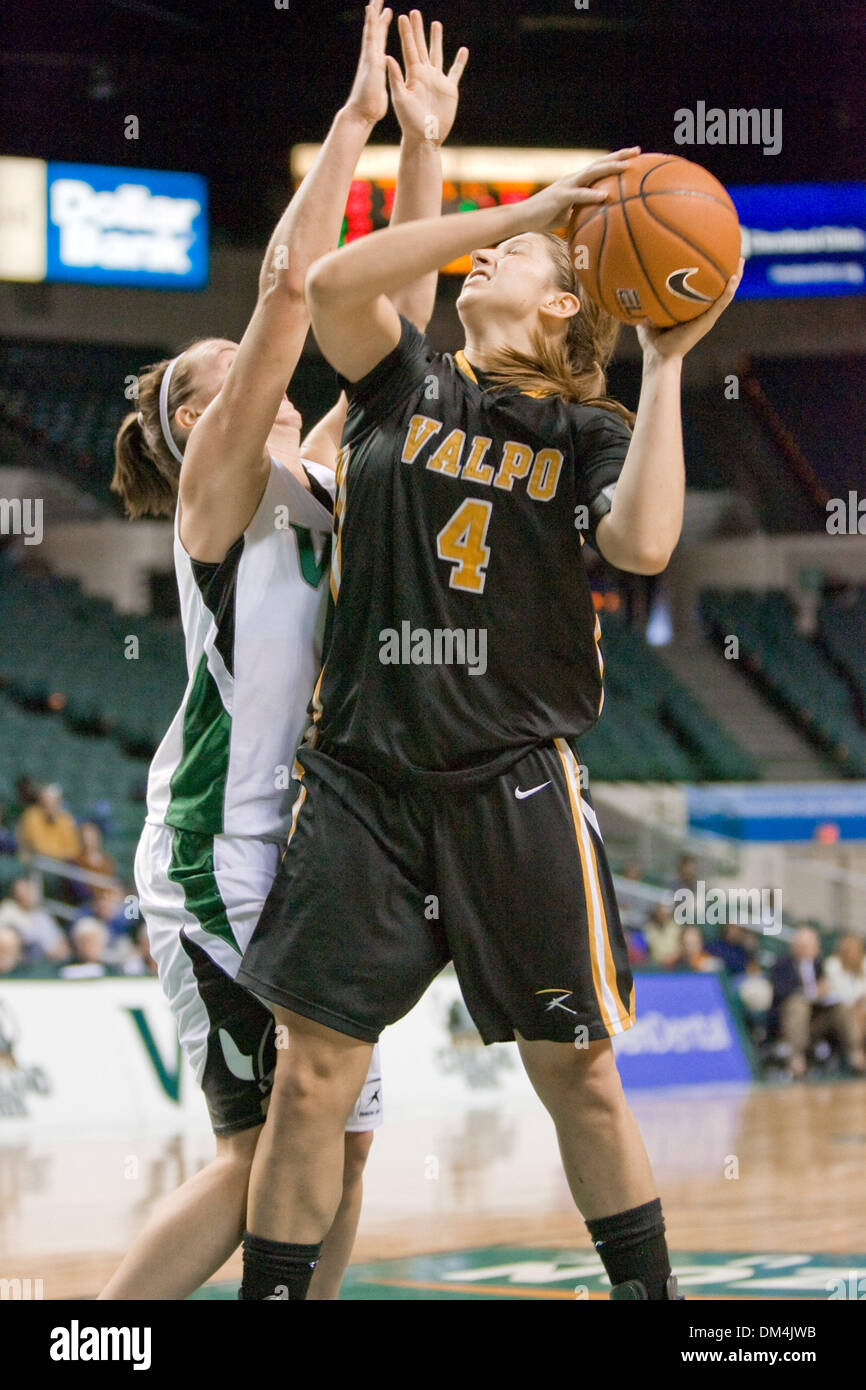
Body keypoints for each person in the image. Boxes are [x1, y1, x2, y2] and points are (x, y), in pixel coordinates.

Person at [235, 110, 742, 1298]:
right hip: (360, 780)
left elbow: (645, 538)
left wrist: (667, 363)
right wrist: (527, 211)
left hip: (510, 780)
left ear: (565, 305)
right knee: (309, 1079)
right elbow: (329, 280)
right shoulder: (396, 377)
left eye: (519, 258)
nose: (491, 256)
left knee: (578, 1073)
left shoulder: (582, 431)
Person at [99, 1, 463, 1301]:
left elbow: (400, 330)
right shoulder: (219, 487)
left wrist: (423, 148)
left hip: (301, 849)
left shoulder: (312, 478)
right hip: (214, 845)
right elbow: (293, 290)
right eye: (229, 365)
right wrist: (353, 123)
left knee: (342, 1152)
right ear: (200, 412)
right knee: (263, 1152)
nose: (263, 366)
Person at [769, 926, 859, 1079]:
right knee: (798, 1004)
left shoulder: (819, 964)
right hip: (789, 1021)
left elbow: (826, 989)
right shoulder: (783, 964)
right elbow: (780, 993)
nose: (813, 948)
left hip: (815, 1020)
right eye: (808, 945)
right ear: (797, 947)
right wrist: (809, 993)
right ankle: (796, 1057)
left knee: (841, 1006)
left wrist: (824, 992)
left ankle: (855, 1052)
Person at [0, 877, 70, 963]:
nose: (27, 896)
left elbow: (60, 940)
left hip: (49, 961)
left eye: (30, 892)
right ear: (16, 894)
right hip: (23, 961)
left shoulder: (41, 914)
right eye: (24, 892)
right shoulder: (9, 909)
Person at [824, 933, 866, 1071]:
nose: (851, 953)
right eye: (848, 949)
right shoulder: (833, 965)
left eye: (854, 949)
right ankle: (856, 1054)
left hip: (862, 1011)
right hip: (840, 1014)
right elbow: (838, 995)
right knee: (849, 1013)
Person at [16, 784, 81, 862]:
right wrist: (60, 853)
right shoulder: (32, 816)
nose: (50, 806)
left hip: (59, 866)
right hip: (35, 863)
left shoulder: (64, 819)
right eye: (46, 802)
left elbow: (73, 849)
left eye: (54, 802)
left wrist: (58, 854)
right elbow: (38, 846)